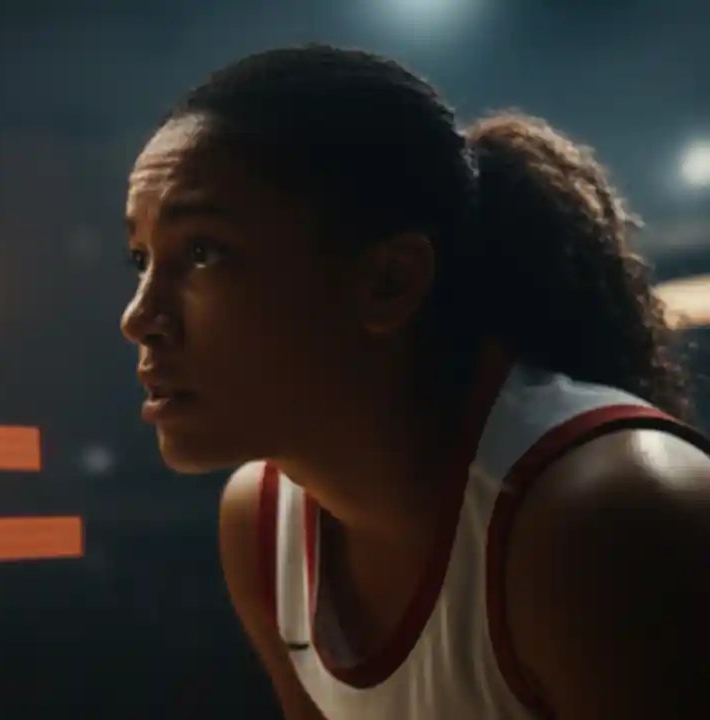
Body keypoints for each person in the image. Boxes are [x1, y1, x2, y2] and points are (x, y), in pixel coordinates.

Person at [120, 46, 709, 719]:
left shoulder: (611, 516)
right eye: (140, 259)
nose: (139, 318)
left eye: (202, 251)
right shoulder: (260, 520)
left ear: (388, 283)